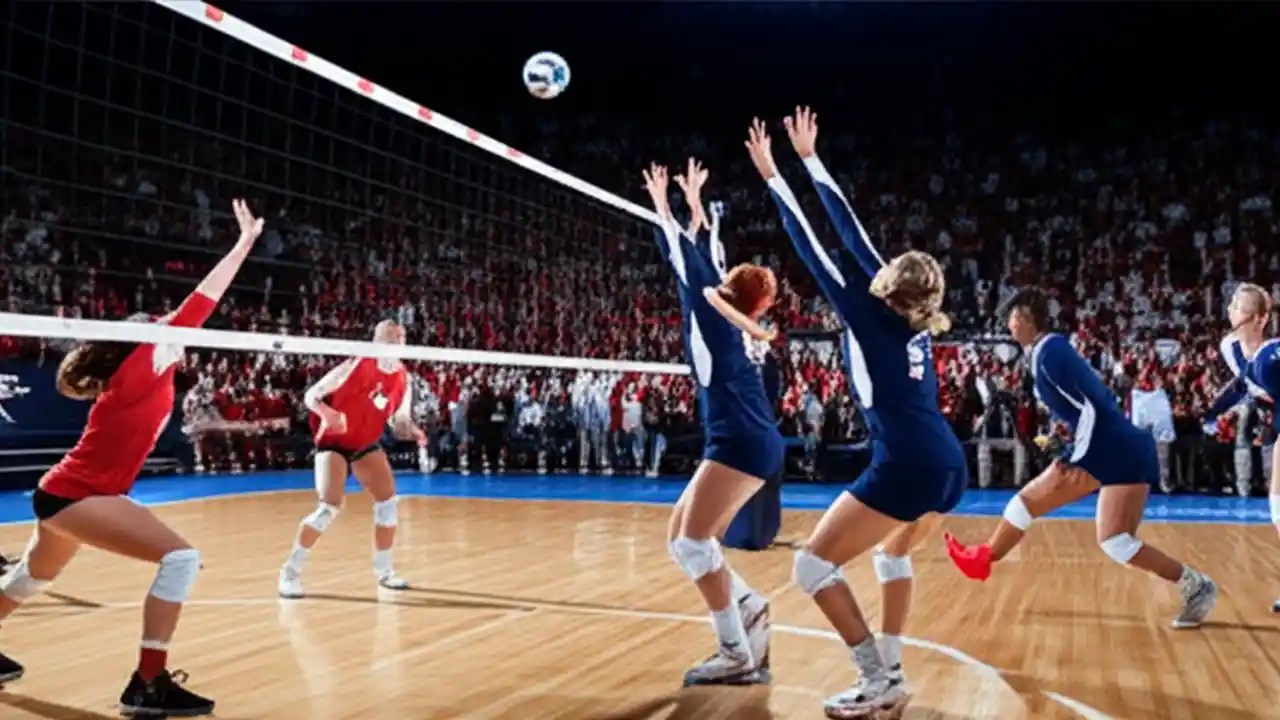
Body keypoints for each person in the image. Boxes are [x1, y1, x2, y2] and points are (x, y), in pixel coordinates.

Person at [0, 200, 264, 716]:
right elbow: (200, 301)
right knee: (181, 559)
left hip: (66, 492)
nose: (180, 335)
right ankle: (148, 683)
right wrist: (243, 244)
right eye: (169, 329)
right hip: (78, 494)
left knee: (30, 579)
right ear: (153, 334)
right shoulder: (147, 359)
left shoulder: (150, 371)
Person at [746, 109, 966, 718]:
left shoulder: (867, 311)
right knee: (891, 554)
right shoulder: (910, 310)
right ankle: (891, 669)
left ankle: (877, 677)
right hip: (949, 463)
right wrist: (811, 159)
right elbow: (848, 228)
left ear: (892, 284)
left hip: (908, 465)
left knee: (813, 566)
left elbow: (813, 242)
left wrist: (773, 176)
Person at [945, 288, 1219, 625]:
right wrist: (1066, 437)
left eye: (1013, 316)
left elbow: (1093, 404)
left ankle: (982, 558)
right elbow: (1084, 407)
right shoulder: (1045, 352)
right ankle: (1196, 585)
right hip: (1124, 446)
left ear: (1029, 317)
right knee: (1117, 542)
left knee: (1026, 502)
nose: (1009, 324)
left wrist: (1078, 452)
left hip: (1106, 447)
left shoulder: (1050, 352)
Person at [641, 158, 781, 687]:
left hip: (739, 440)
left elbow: (687, 255)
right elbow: (702, 256)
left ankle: (735, 654)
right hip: (745, 436)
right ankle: (746, 607)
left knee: (694, 543)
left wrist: (663, 203)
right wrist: (696, 206)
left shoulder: (709, 304)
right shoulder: (726, 306)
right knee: (684, 540)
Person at [277, 319, 427, 599]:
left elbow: (399, 418)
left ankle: (384, 573)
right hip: (333, 443)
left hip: (364, 444)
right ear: (378, 340)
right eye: (393, 337)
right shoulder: (356, 365)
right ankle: (290, 571)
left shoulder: (404, 378)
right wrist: (327, 414)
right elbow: (311, 396)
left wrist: (411, 429)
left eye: (402, 338)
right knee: (328, 508)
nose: (399, 342)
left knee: (388, 503)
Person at [1201, 282, 1279, 613]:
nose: (1231, 308)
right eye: (1231, 303)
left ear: (1260, 319)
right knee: (1276, 502)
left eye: (1239, 305)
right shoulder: (1230, 346)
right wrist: (1214, 413)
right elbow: (1243, 385)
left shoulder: (1272, 358)